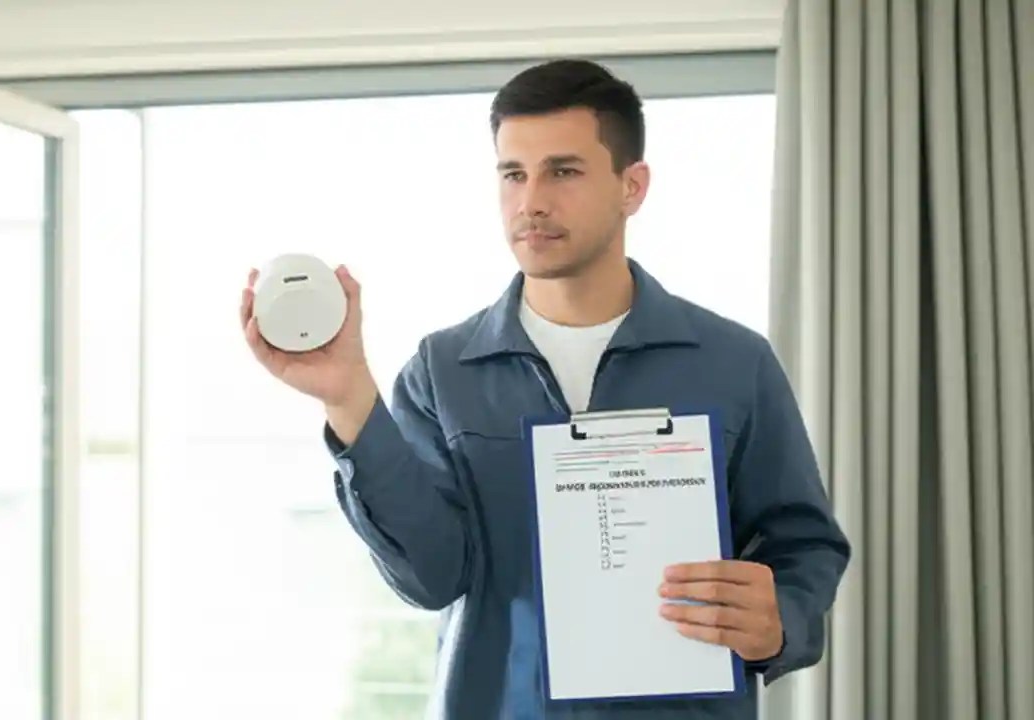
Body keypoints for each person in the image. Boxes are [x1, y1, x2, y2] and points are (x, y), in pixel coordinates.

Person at [240, 58, 850, 719]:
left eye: (563, 171)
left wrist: (780, 618)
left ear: (632, 186)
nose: (531, 200)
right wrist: (348, 396)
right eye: (513, 173)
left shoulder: (735, 363)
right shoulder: (443, 371)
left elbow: (805, 547)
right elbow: (431, 577)